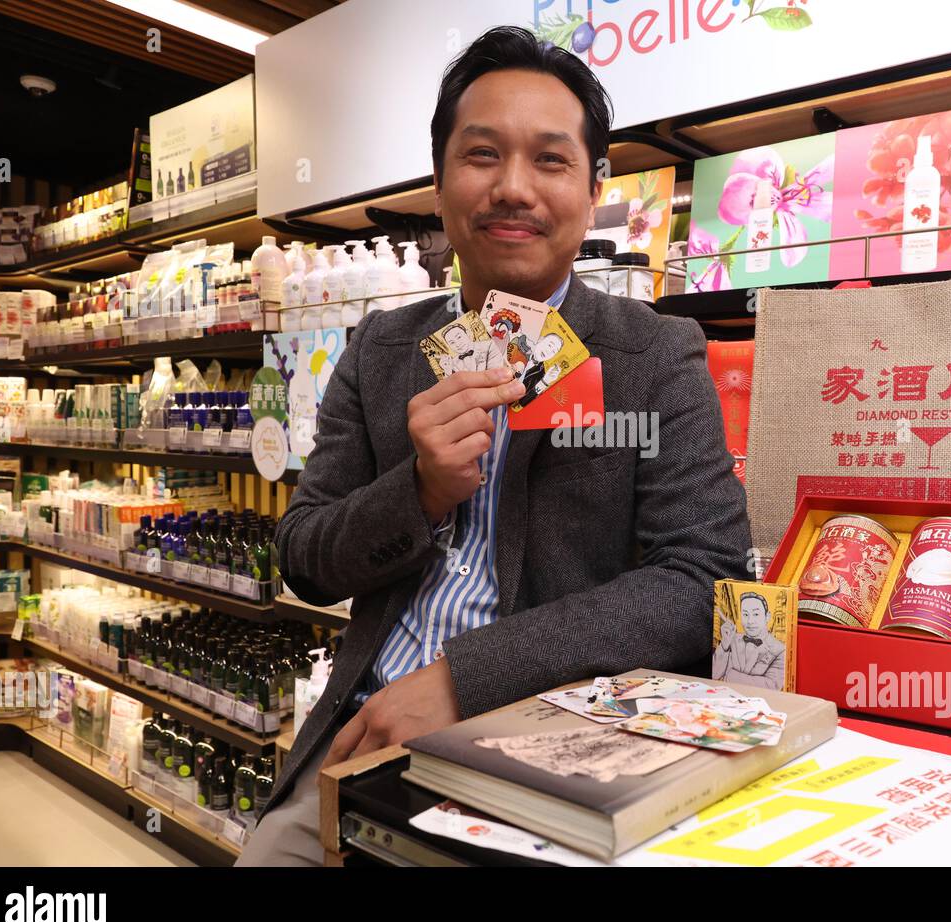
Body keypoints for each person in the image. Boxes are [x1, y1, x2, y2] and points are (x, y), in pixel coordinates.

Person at [237, 25, 750, 866]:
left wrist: (464, 677)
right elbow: (304, 557)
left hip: (554, 747)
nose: (514, 188)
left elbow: (704, 576)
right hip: (362, 736)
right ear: (440, 180)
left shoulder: (654, 354)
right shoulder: (382, 348)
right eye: (482, 155)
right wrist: (422, 490)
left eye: (551, 159)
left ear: (594, 188)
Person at [713, 592, 787, 690]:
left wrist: (729, 676)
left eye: (756, 614)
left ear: (767, 616)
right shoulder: (732, 639)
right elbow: (714, 675)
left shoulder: (779, 649)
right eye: (745, 614)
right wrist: (724, 646)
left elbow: (771, 686)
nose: (750, 621)